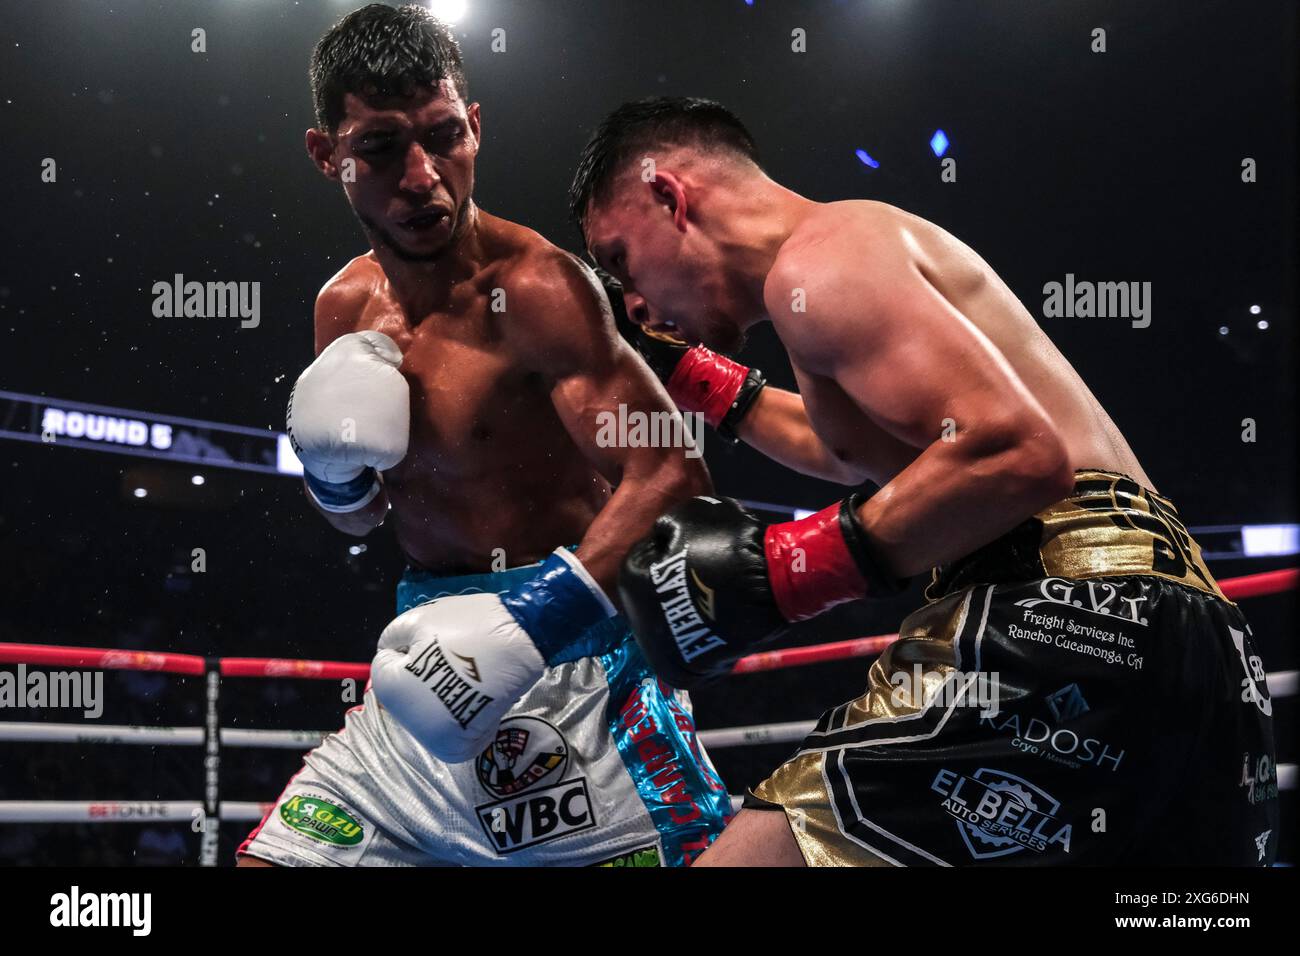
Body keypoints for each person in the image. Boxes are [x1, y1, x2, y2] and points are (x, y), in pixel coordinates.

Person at [574, 96, 1278, 866]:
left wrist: (789, 570)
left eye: (618, 260)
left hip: (1057, 613)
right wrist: (690, 374)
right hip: (1189, 630)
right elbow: (859, 452)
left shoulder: (823, 259)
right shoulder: (836, 263)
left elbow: (1014, 453)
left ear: (670, 196)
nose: (634, 302)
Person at [238, 8, 729, 868]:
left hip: (577, 667)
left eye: (443, 136)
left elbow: (671, 473)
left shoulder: (539, 288)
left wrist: (538, 617)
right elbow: (361, 520)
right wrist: (332, 476)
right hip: (425, 657)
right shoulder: (342, 309)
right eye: (382, 147)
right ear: (328, 156)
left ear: (474, 125)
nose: (423, 176)